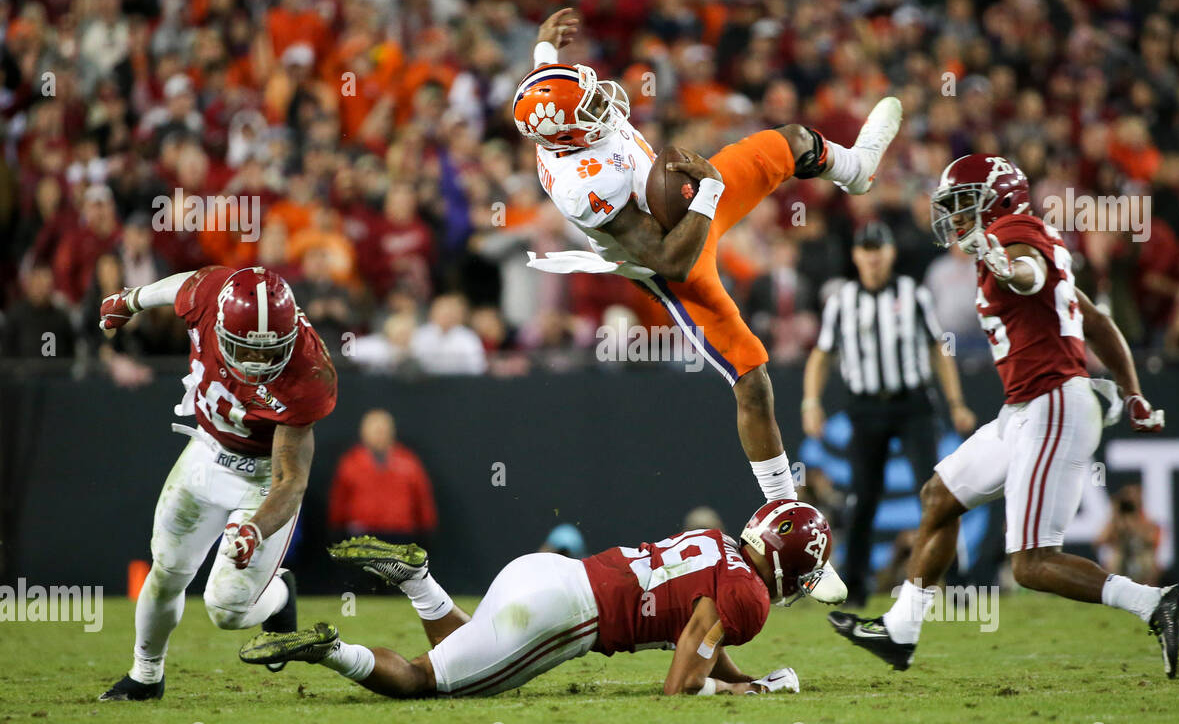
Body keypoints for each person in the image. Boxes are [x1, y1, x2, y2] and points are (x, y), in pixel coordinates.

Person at [828, 154, 1179, 678]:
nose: (954, 215)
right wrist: (1132, 392)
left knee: (1032, 563)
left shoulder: (1014, 235)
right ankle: (900, 631)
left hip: (1052, 405)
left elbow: (1028, 274)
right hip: (1024, 408)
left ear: (996, 199)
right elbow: (1095, 321)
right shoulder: (1012, 241)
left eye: (963, 203)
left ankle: (1153, 602)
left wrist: (1005, 264)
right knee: (939, 496)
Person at [517, 8, 902, 504]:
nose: (604, 105)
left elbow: (547, 87)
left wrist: (545, 48)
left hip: (688, 203)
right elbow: (671, 261)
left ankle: (857, 169)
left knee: (792, 141)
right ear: (567, 138)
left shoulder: (552, 113)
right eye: (590, 109)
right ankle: (784, 510)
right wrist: (710, 191)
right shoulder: (582, 186)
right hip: (668, 259)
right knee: (751, 378)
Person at [240, 500, 847, 698]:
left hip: (544, 573)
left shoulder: (718, 545)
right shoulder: (747, 597)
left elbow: (702, 635)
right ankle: (330, 649)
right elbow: (682, 684)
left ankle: (418, 580)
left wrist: (740, 679)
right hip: (564, 616)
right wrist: (753, 692)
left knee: (466, 647)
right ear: (791, 565)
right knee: (424, 681)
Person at [95, 265, 337, 700]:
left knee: (226, 608)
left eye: (270, 352)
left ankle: (279, 596)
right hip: (206, 453)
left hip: (261, 478)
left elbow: (290, 481)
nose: (257, 363)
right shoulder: (209, 294)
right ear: (222, 327)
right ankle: (145, 675)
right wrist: (131, 301)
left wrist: (255, 529)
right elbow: (181, 285)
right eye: (247, 349)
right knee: (167, 571)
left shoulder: (310, 372)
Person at [803, 220, 976, 605]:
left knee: (935, 492)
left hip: (912, 403)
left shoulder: (914, 294)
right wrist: (810, 402)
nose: (873, 258)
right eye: (866, 250)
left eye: (878, 249)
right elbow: (821, 355)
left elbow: (937, 349)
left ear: (890, 253)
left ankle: (958, 581)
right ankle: (856, 588)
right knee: (862, 498)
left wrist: (955, 403)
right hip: (865, 407)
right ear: (856, 255)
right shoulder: (842, 301)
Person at [328, 409, 437, 549]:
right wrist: (336, 528)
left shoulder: (408, 462)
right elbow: (339, 500)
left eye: (383, 430)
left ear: (392, 431)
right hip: (362, 536)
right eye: (375, 430)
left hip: (400, 534)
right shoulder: (351, 463)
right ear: (363, 432)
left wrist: (427, 528)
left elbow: (422, 497)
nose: (379, 435)